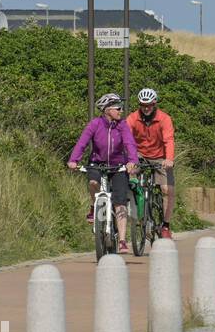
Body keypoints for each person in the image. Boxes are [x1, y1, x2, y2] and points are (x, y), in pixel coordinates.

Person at [68, 93, 139, 252]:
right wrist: (74, 160)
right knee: (93, 183)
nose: (121, 111)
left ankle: (121, 240)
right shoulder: (95, 124)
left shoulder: (122, 125)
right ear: (107, 110)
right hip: (97, 163)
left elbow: (130, 143)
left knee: (119, 202)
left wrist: (132, 161)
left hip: (118, 165)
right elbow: (82, 142)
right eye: (118, 108)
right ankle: (94, 208)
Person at [125, 88, 176, 238]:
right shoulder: (132, 118)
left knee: (167, 189)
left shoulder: (164, 119)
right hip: (139, 154)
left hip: (160, 157)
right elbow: (126, 138)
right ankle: (137, 211)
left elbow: (169, 140)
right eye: (143, 105)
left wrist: (169, 159)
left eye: (149, 105)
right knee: (130, 175)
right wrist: (130, 160)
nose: (146, 108)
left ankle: (165, 225)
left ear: (154, 104)